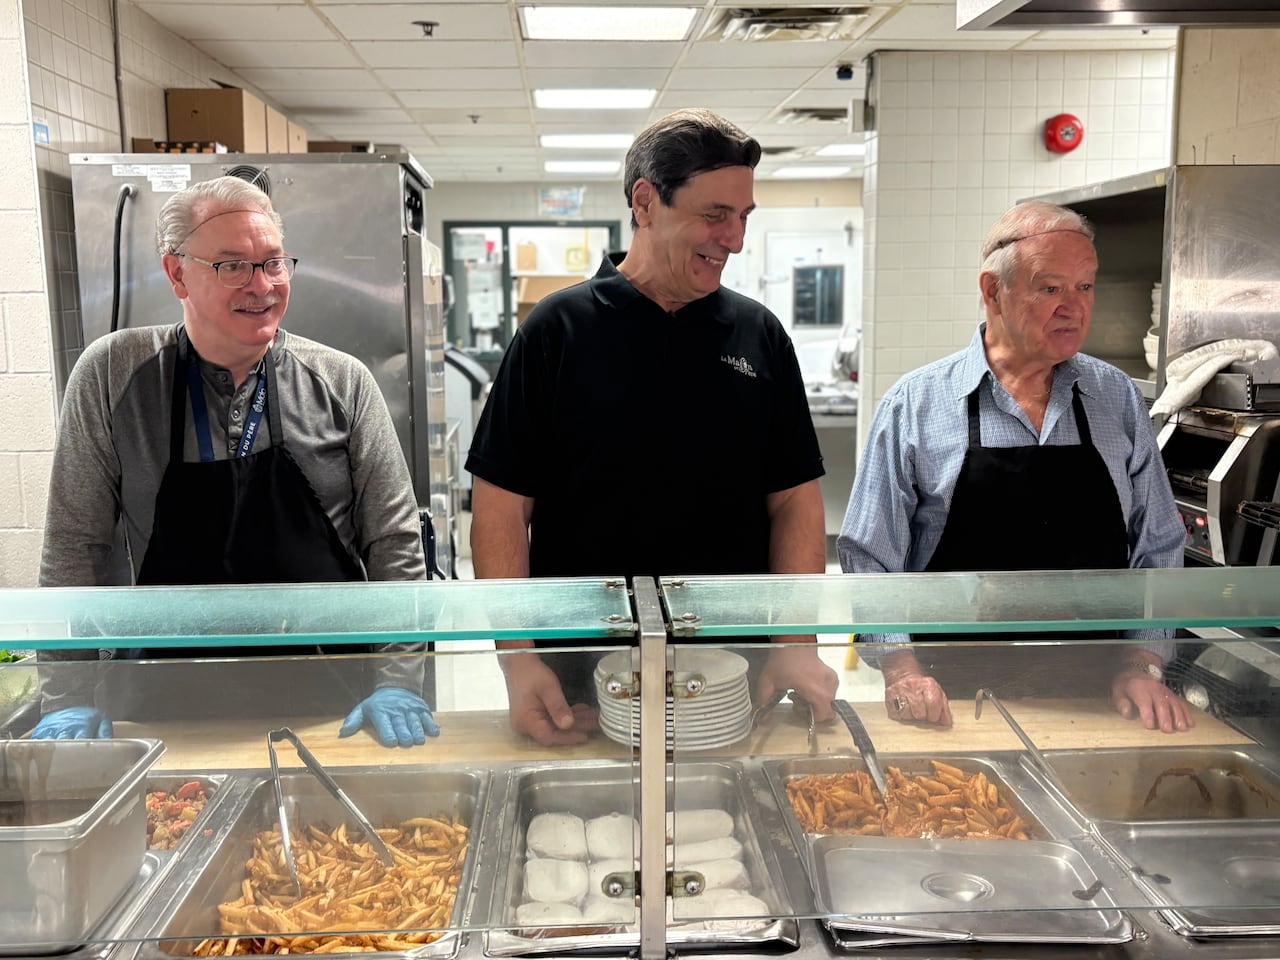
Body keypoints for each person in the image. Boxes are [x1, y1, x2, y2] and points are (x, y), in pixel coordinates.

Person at [466, 108, 838, 746]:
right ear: (645, 202)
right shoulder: (558, 331)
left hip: (733, 678)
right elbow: (501, 506)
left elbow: (796, 500)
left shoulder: (759, 335)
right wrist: (518, 658)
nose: (736, 239)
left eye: (745, 217)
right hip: (582, 679)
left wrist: (796, 642)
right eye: (715, 214)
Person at [33, 176, 438, 748]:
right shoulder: (112, 375)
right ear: (177, 273)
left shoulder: (343, 382)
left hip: (330, 710)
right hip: (163, 712)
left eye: (274, 263)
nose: (262, 285)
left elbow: (394, 545)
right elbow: (75, 549)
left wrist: (398, 681)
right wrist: (68, 695)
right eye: (232, 266)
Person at [838, 200, 1194, 734]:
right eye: (1051, 288)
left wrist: (1142, 663)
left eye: (1085, 287)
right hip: (951, 700)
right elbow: (869, 559)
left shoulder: (1115, 397)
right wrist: (901, 668)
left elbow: (1158, 544)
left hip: (1104, 701)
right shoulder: (915, 404)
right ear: (992, 291)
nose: (1074, 307)